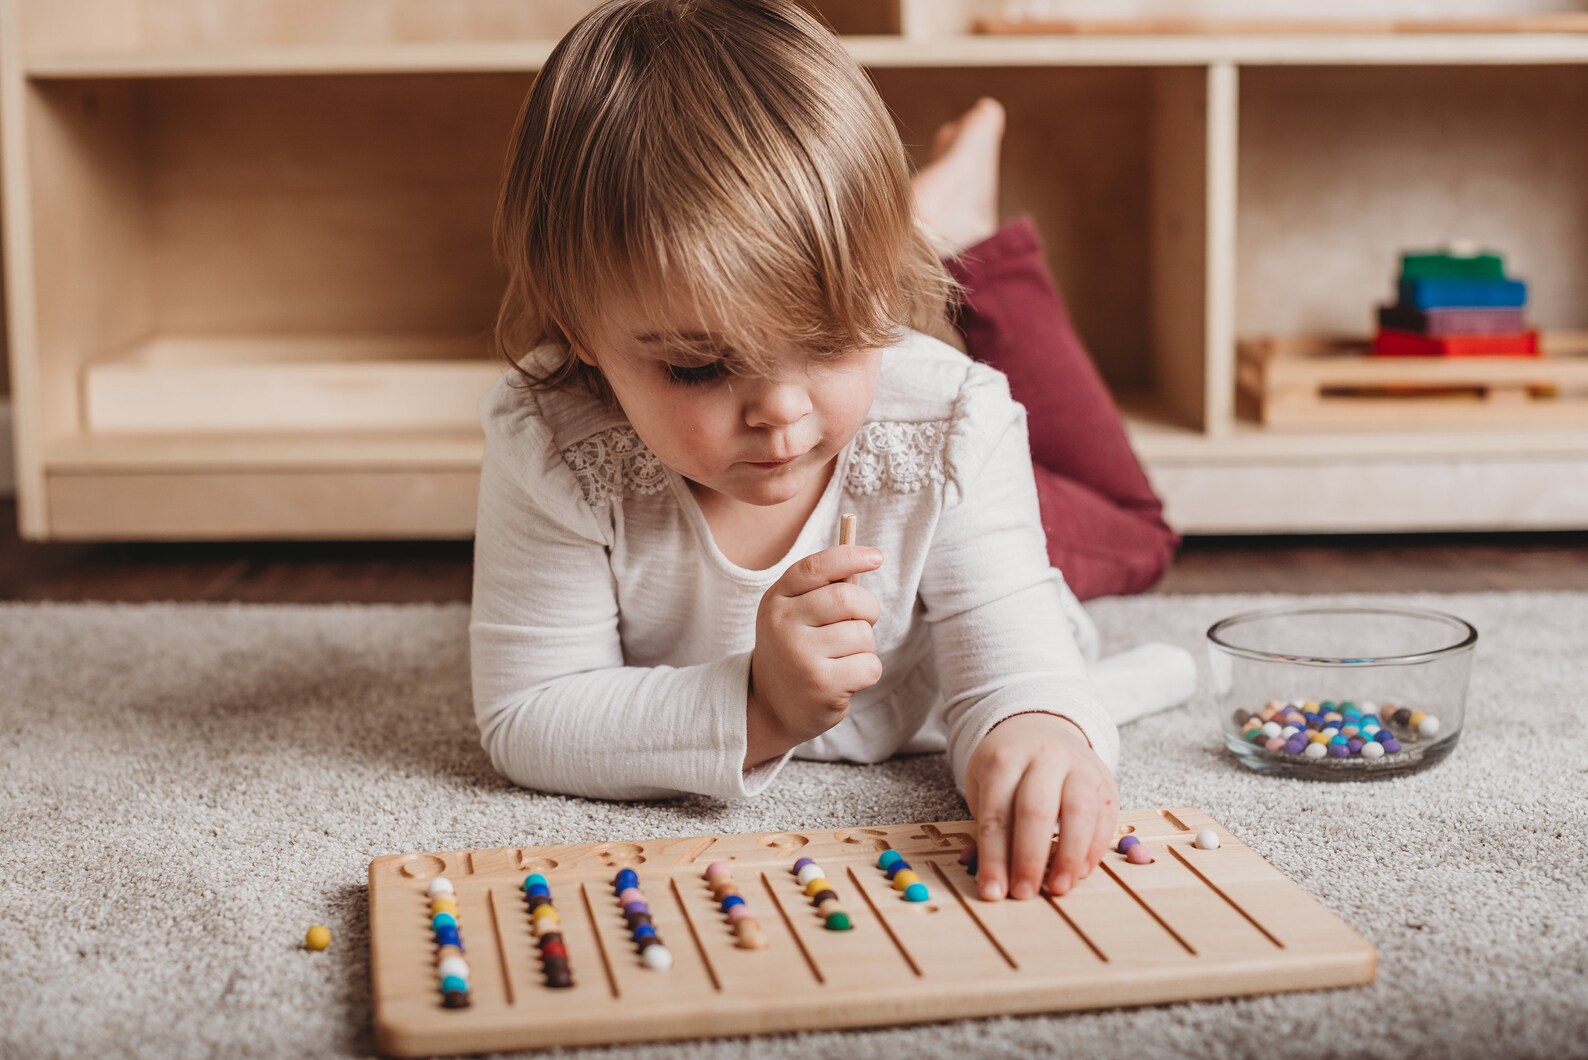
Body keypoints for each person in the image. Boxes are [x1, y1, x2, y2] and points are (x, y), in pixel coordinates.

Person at [472, 0, 1194, 906]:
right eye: (700, 366)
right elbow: (527, 714)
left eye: (829, 335)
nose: (779, 413)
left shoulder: (947, 422)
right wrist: (759, 704)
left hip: (919, 466)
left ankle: (956, 236)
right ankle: (924, 236)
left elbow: (1018, 669)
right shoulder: (550, 442)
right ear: (579, 327)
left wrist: (1040, 728)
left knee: (1131, 531)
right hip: (884, 422)